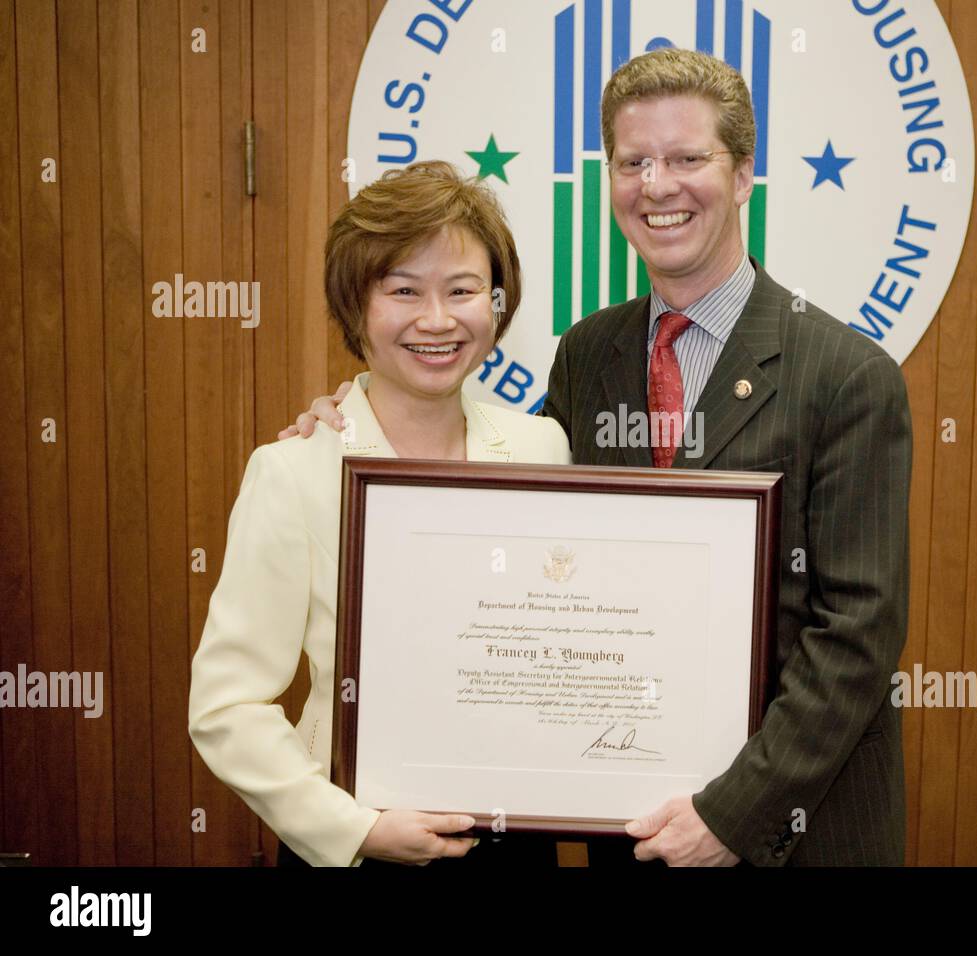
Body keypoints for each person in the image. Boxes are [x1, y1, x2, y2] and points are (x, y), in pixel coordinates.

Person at [286, 48, 912, 867]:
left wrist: (731, 815)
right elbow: (490, 484)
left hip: (793, 834)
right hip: (633, 831)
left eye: (688, 158)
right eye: (633, 162)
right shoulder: (590, 354)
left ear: (744, 175)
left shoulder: (848, 376)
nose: (658, 185)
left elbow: (858, 634)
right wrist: (361, 411)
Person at [189, 161, 571, 868]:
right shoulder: (294, 471)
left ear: (496, 304)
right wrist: (353, 829)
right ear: (354, 306)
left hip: (516, 835)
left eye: (462, 291)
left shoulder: (541, 448)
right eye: (403, 290)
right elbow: (225, 705)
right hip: (357, 838)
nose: (437, 319)